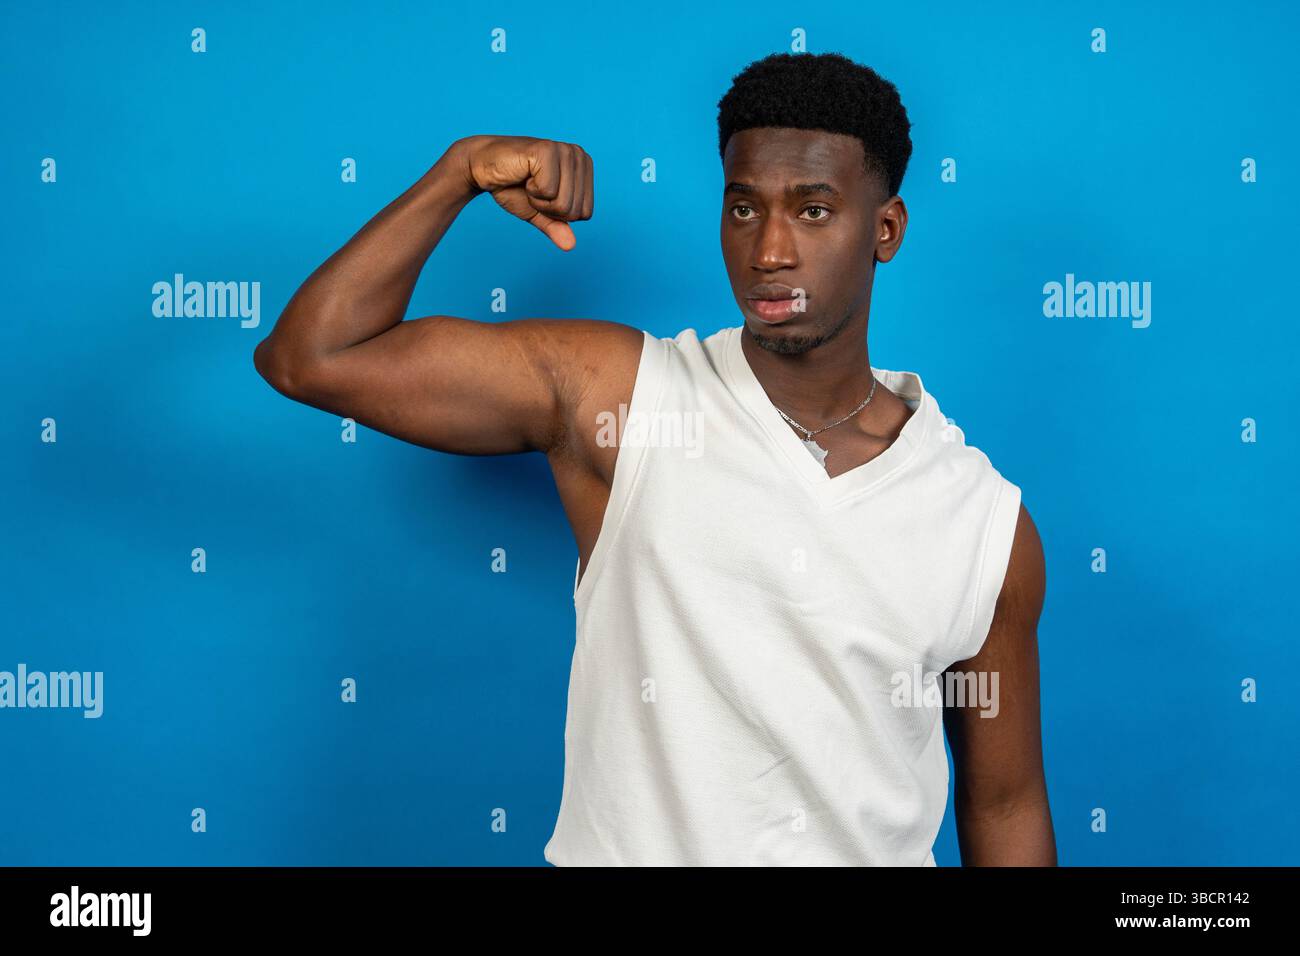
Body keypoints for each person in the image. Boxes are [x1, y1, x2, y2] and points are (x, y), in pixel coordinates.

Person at [254, 51, 1055, 866]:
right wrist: (457, 172)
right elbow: (312, 358)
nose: (770, 250)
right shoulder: (623, 401)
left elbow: (1006, 805)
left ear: (885, 230)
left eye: (813, 211)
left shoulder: (978, 519)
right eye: (744, 210)